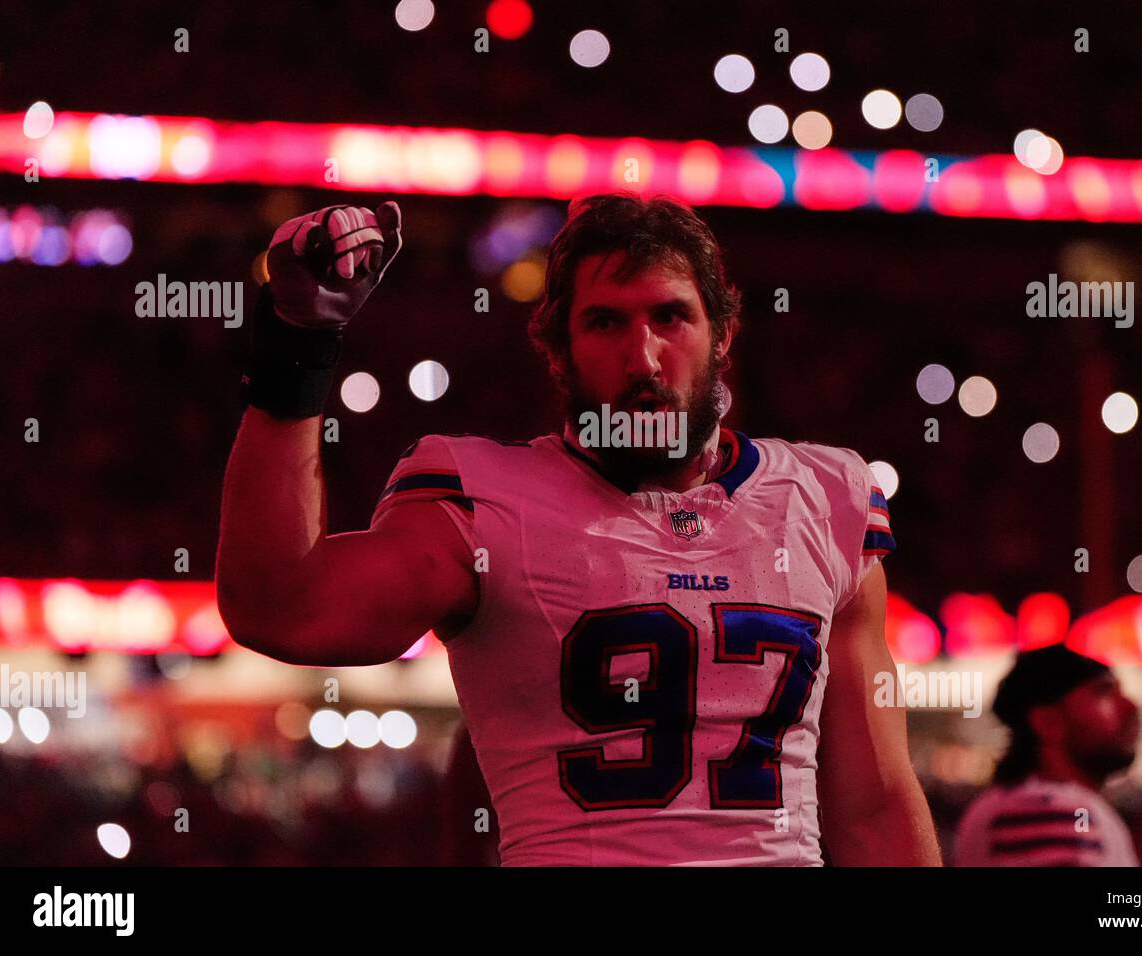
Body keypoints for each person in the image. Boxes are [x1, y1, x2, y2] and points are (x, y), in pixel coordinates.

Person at [217, 191, 941, 866]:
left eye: (671, 316)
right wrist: (297, 348)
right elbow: (283, 607)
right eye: (605, 322)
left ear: (723, 334)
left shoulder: (824, 497)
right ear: (556, 349)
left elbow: (873, 806)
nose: (644, 357)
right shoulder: (483, 503)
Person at [954, 644, 1141, 866]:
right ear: (1047, 722)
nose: (1130, 707)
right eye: (1103, 692)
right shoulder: (1049, 809)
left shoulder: (1029, 803)